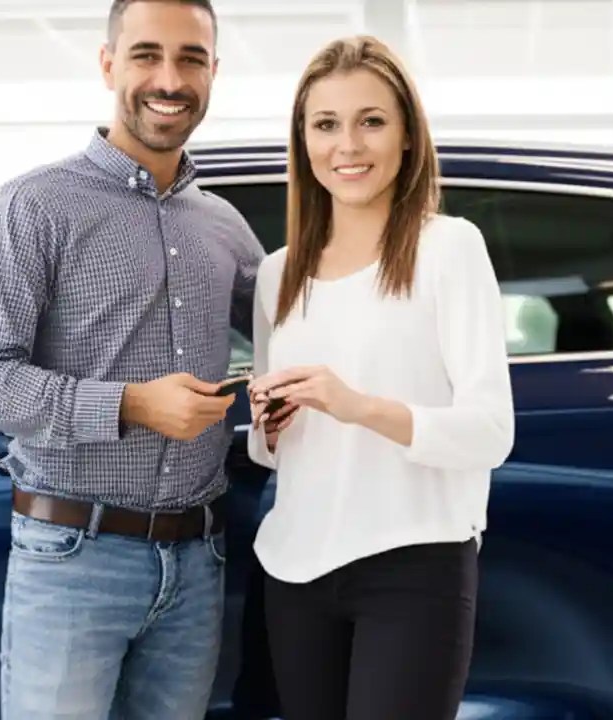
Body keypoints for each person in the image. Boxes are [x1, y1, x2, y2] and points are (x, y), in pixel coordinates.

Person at [0, 0, 264, 718]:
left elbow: (302, 333)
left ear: (214, 71)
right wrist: (131, 404)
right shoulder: (33, 206)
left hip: (199, 562)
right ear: (108, 63)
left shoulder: (224, 228)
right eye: (147, 54)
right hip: (72, 558)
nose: (169, 78)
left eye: (190, 58)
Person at [245, 35, 516, 720]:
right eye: (326, 124)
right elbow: (269, 452)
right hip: (294, 569)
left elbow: (490, 433)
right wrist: (269, 426)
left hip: (413, 565)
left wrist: (357, 404)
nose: (348, 146)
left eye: (371, 121)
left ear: (405, 136)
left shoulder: (448, 248)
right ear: (303, 140)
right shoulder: (279, 273)